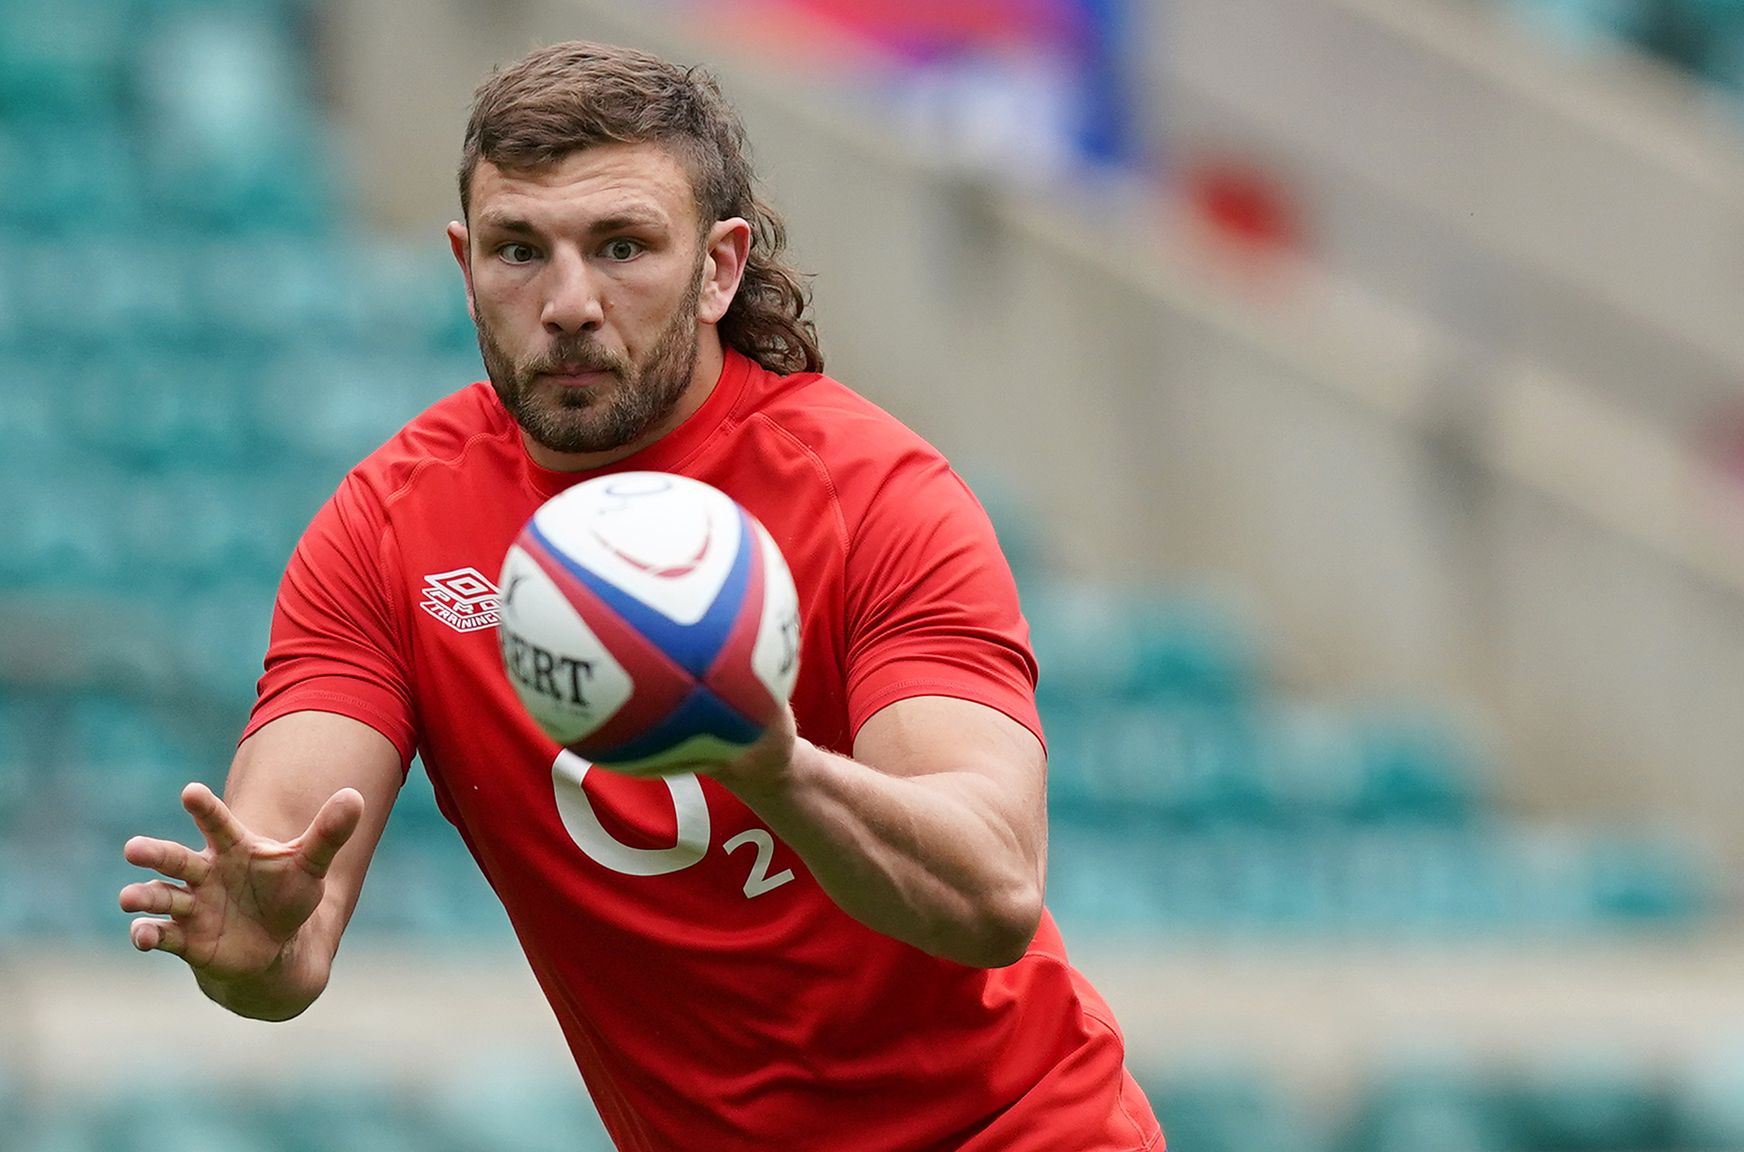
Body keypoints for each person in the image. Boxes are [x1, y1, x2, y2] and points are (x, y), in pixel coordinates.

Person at [118, 40, 1163, 1152]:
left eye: (620, 247)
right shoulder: (388, 529)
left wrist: (773, 767)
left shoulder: (877, 498)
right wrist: (253, 952)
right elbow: (288, 924)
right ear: (464, 263)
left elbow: (992, 896)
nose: (567, 303)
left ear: (719, 268)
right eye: (520, 251)